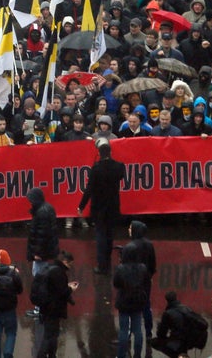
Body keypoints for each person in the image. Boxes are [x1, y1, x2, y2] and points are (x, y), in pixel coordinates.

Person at [80, 138, 125, 273]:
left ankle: (102, 265)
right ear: (110, 152)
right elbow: (121, 176)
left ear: (99, 153)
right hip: (113, 206)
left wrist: (81, 206)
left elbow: (89, 189)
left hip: (99, 207)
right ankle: (108, 262)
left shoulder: (96, 169)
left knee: (100, 236)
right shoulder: (119, 167)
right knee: (110, 235)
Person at [34, 250, 76, 358]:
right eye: (70, 264)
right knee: (50, 336)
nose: (70, 267)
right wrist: (71, 288)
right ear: (65, 261)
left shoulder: (50, 269)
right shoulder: (58, 272)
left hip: (46, 307)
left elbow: (55, 288)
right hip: (53, 309)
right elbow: (62, 292)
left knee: (52, 335)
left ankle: (52, 355)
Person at [25, 186, 60, 318]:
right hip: (45, 252)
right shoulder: (47, 209)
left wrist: (37, 253)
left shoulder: (41, 213)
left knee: (39, 280)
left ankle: (39, 308)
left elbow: (41, 235)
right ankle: (42, 307)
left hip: (41, 254)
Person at [114, 244, 150, 358]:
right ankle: (138, 355)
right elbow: (147, 283)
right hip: (138, 301)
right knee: (138, 330)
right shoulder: (142, 267)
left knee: (124, 330)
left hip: (124, 301)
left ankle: (121, 355)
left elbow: (116, 283)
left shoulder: (121, 268)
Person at [123, 220, 157, 338]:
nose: (128, 230)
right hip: (146, 281)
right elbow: (153, 264)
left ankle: (129, 333)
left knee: (131, 307)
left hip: (132, 282)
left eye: (130, 228)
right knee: (146, 305)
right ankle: (148, 331)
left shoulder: (130, 247)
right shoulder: (149, 245)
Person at [151, 291, 207, 358]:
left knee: (153, 342)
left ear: (167, 300)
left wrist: (160, 327)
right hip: (188, 341)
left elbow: (161, 334)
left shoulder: (167, 313)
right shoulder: (186, 308)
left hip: (176, 342)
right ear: (176, 298)